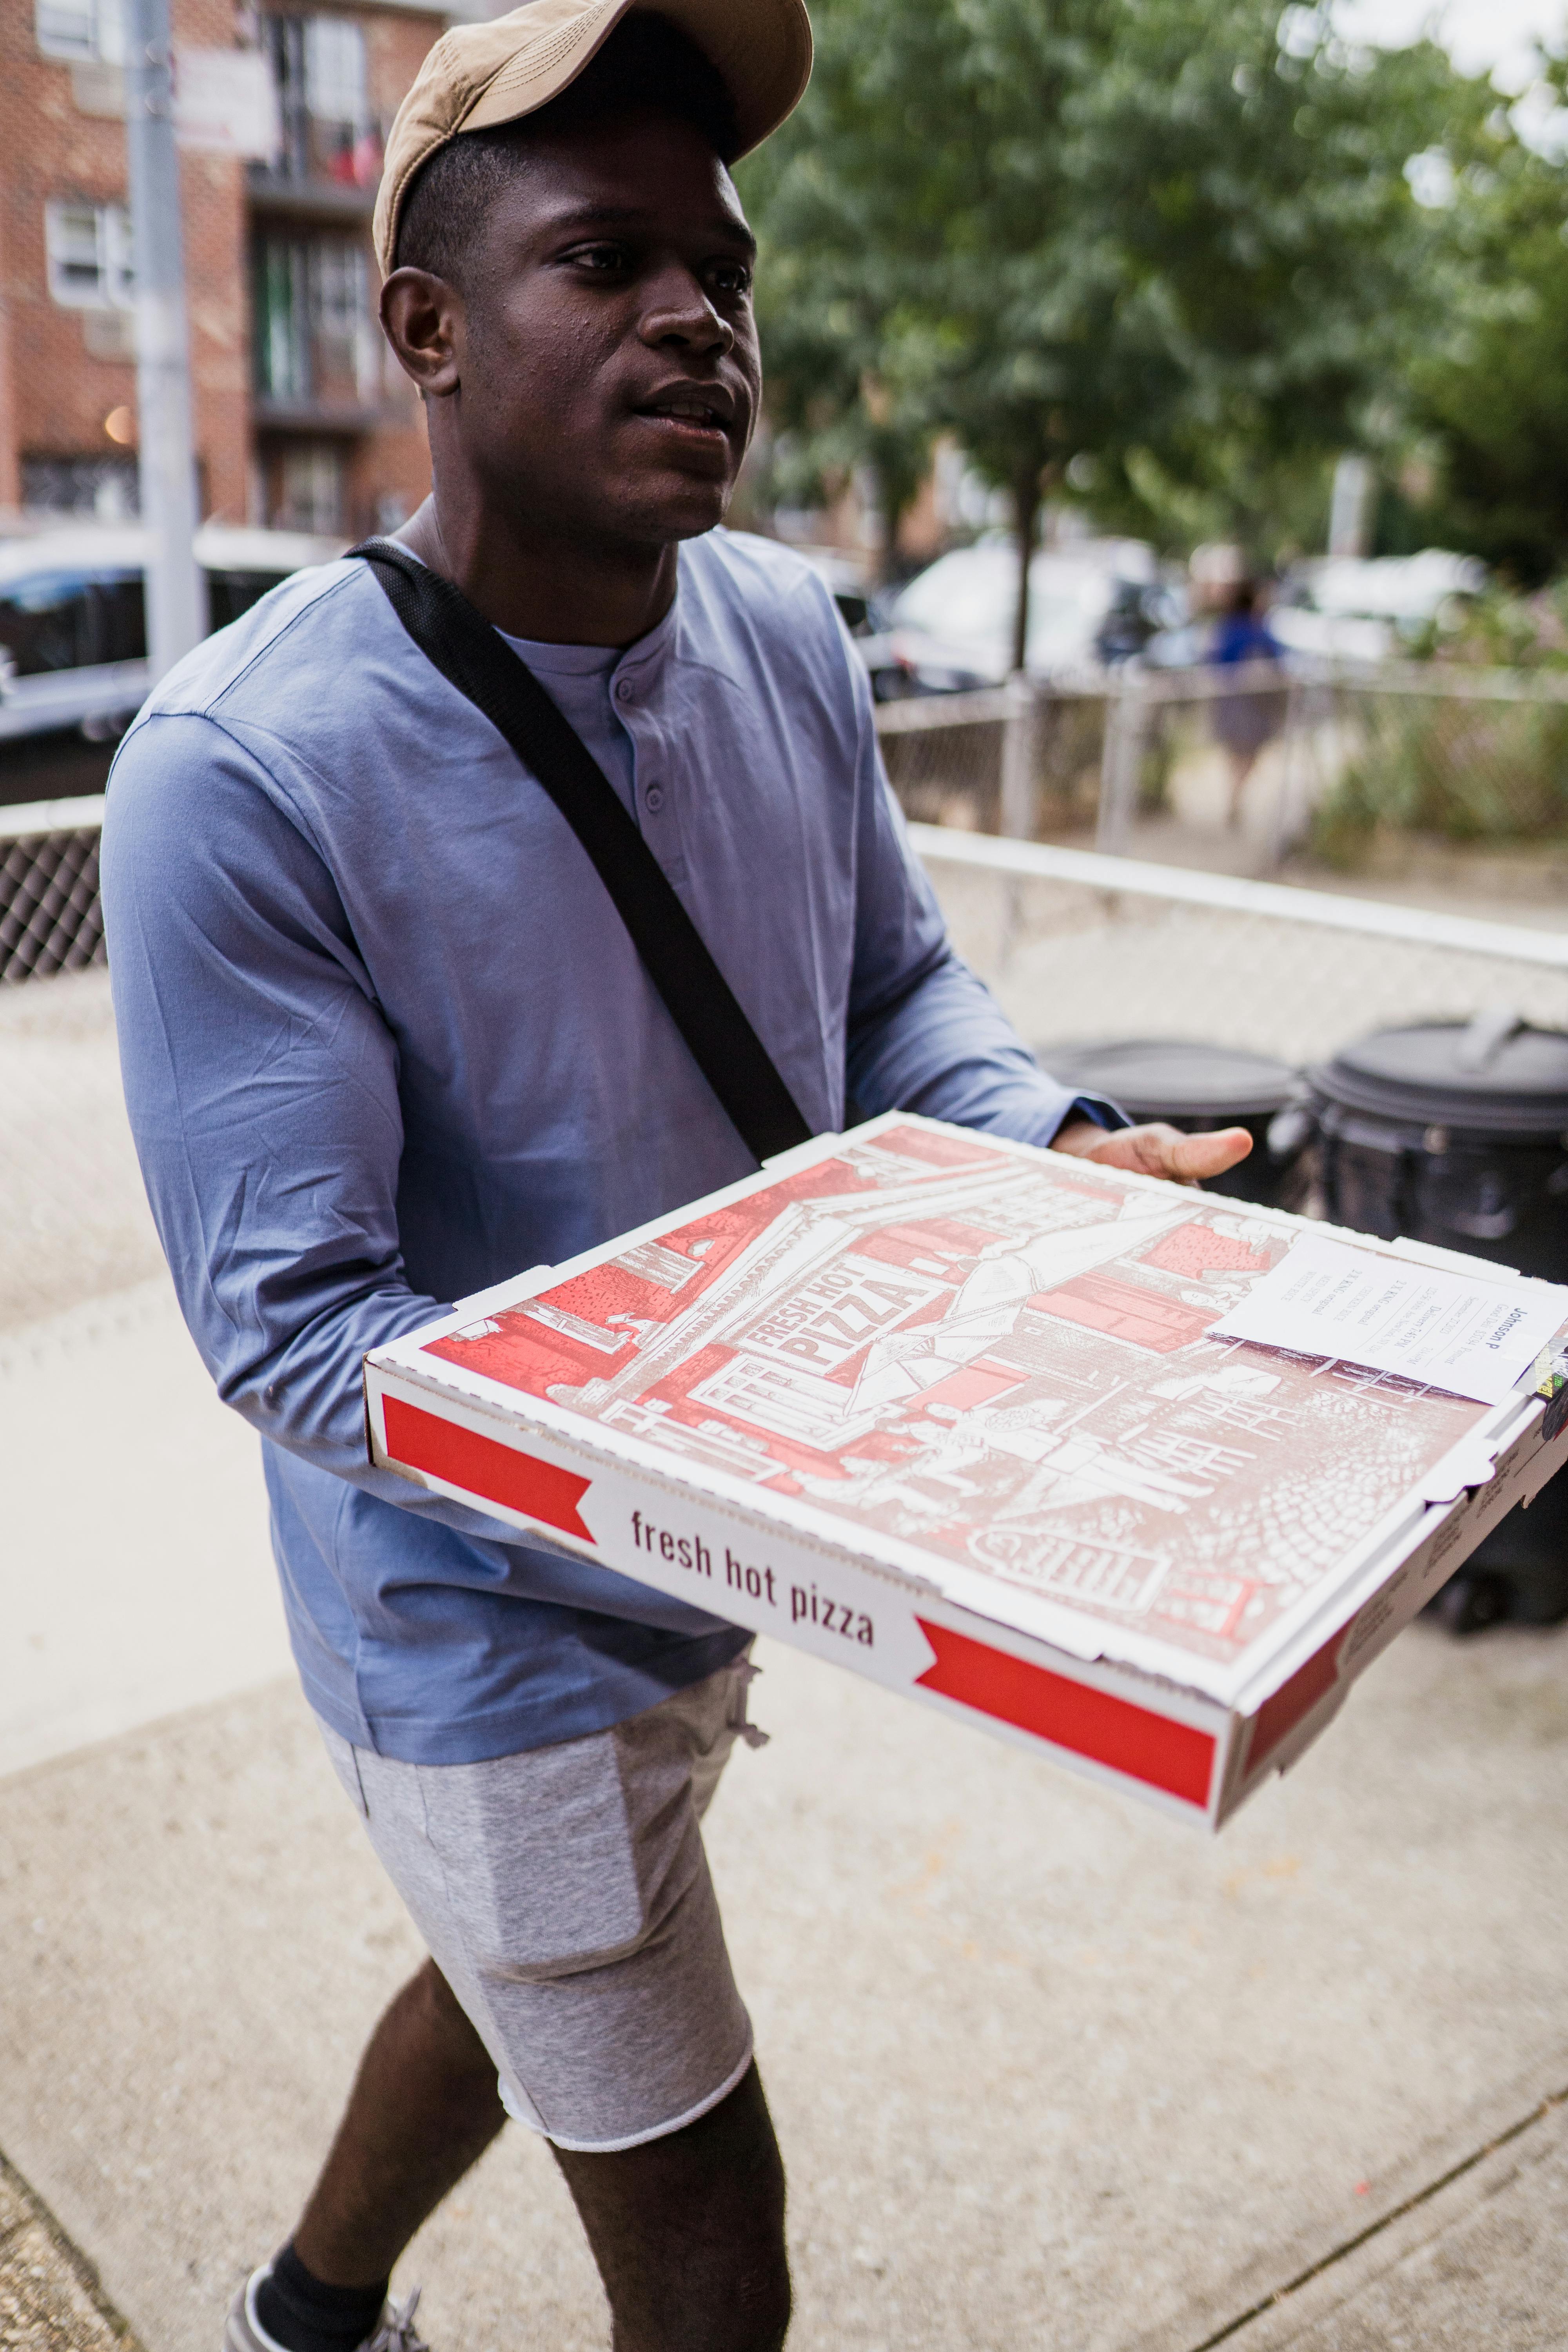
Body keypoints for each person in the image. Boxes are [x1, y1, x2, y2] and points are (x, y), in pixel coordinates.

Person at [100, 7, 1252, 2348]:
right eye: (603, 256)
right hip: (477, 1631)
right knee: (713, 2258)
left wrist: (1041, 1146)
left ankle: (303, 2319)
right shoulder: (237, 773)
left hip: (717, 1565)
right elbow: (292, 1326)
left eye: (723, 274)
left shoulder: (789, 634)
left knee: (514, 1974)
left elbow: (898, 981)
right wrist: (717, 1448)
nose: (695, 324)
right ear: (421, 328)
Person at [1209, 579, 1285, 827]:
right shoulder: (1250, 630)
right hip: (1245, 704)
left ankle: (1234, 799)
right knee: (1245, 755)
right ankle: (1235, 800)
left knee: (1241, 755)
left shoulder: (1233, 628)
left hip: (1238, 702)